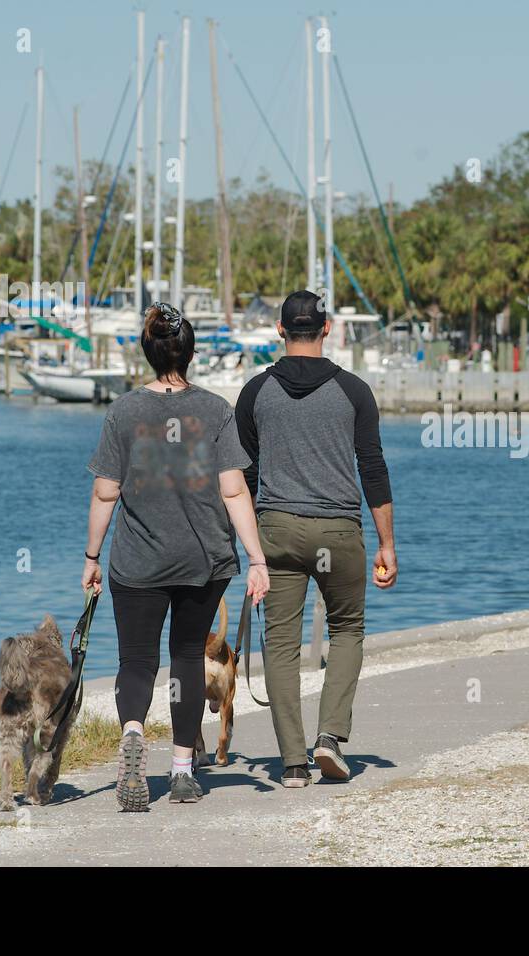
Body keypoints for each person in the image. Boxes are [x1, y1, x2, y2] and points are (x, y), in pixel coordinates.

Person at [82, 302, 269, 810]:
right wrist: (256, 558)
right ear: (189, 353)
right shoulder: (215, 410)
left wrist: (92, 555)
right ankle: (184, 771)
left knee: (136, 660)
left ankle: (134, 732)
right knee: (187, 657)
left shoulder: (123, 412)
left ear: (148, 351)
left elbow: (106, 492)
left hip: (136, 561)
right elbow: (234, 491)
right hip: (202, 560)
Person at [234, 290, 396, 788]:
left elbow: (242, 477)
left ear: (279, 330)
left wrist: (248, 550)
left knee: (279, 645)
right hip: (338, 532)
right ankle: (329, 738)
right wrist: (388, 545)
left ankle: (292, 765)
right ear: (326, 330)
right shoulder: (355, 392)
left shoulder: (254, 393)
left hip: (277, 529)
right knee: (346, 630)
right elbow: (372, 469)